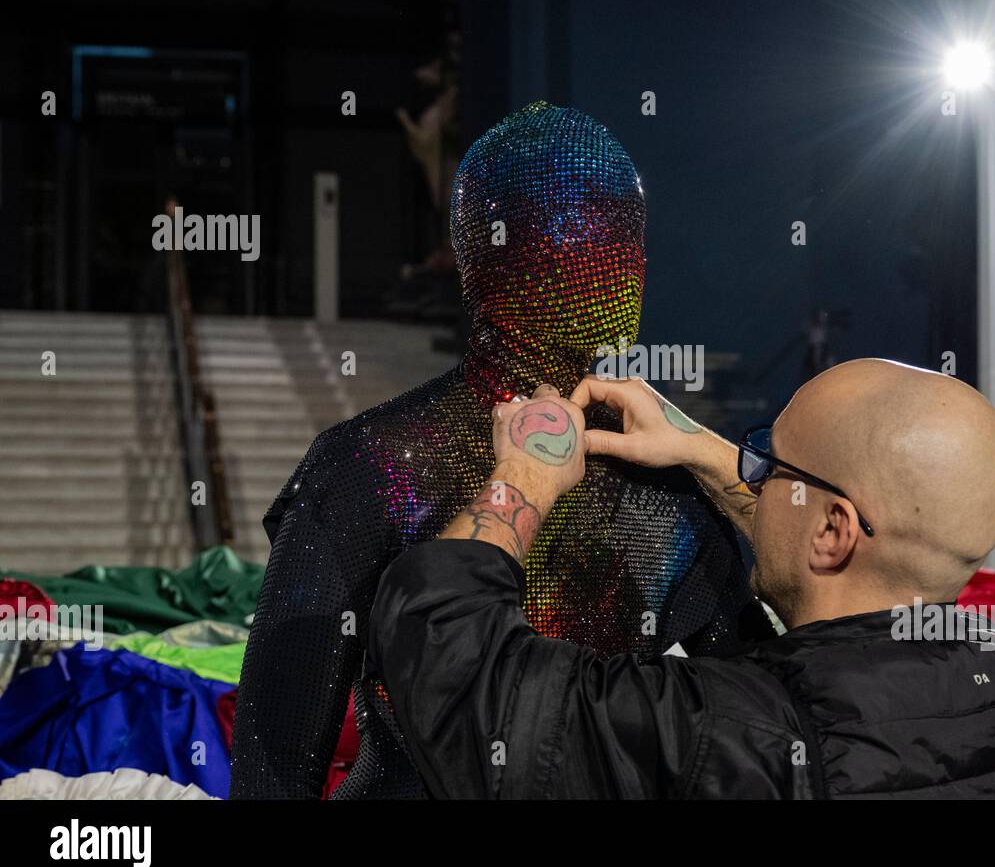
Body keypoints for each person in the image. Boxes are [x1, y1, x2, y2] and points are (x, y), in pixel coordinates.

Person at [230, 102, 769, 799]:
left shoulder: (368, 459)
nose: (617, 268)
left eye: (620, 241)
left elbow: (275, 762)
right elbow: (781, 722)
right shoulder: (369, 466)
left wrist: (709, 461)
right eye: (594, 243)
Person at [368, 361, 995, 798]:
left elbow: (456, 667)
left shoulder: (746, 738)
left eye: (771, 466)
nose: (755, 478)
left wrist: (525, 472)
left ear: (832, 530)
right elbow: (824, 550)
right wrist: (704, 450)